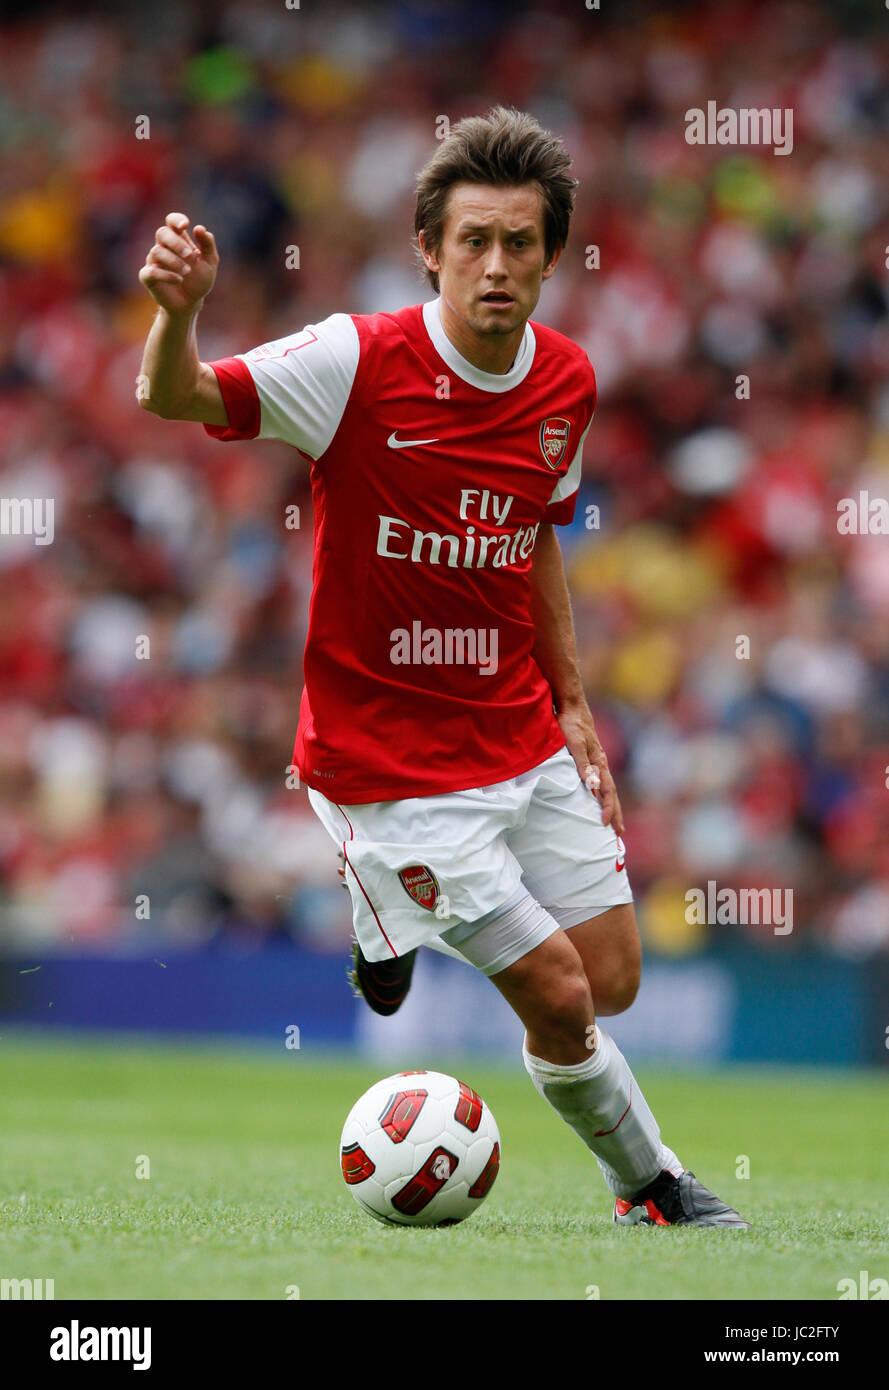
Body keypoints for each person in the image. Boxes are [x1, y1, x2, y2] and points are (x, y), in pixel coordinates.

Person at [137, 105, 749, 1228]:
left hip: (516, 732)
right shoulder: (351, 361)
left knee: (612, 977)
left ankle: (381, 924)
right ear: (430, 245)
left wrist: (571, 702)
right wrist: (177, 318)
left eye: (522, 242)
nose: (497, 264)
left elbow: (533, 537)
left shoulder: (565, 381)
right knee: (562, 999)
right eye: (474, 239)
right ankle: (652, 1188)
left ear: (553, 255)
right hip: (391, 773)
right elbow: (169, 397)